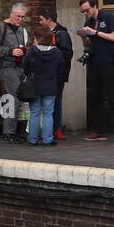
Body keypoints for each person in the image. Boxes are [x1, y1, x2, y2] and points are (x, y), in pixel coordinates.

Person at [76, 0, 114, 142]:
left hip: (109, 61)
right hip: (94, 62)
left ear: (95, 6)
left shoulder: (108, 17)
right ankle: (98, 130)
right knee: (95, 97)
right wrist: (83, 36)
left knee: (113, 96)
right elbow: (89, 44)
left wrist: (95, 32)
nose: (85, 13)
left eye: (87, 10)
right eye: (82, 11)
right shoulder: (88, 21)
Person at [0, 3, 30, 142]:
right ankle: (9, 132)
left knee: (24, 99)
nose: (20, 19)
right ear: (11, 13)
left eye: (23, 17)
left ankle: (21, 131)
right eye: (18, 16)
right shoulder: (0, 27)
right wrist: (10, 51)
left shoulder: (22, 29)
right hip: (7, 67)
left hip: (21, 67)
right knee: (13, 99)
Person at [36, 8, 73, 140]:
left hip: (57, 73)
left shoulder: (61, 34)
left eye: (41, 19)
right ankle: (48, 129)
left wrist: (50, 52)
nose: (39, 22)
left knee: (56, 101)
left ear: (49, 19)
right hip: (47, 73)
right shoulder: (46, 33)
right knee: (47, 102)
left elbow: (68, 53)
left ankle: (56, 128)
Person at [22, 26, 61, 146]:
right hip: (50, 84)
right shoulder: (56, 52)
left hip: (35, 85)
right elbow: (61, 69)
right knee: (48, 113)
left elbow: (25, 66)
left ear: (38, 38)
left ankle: (33, 139)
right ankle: (47, 139)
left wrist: (30, 75)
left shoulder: (32, 51)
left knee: (34, 113)